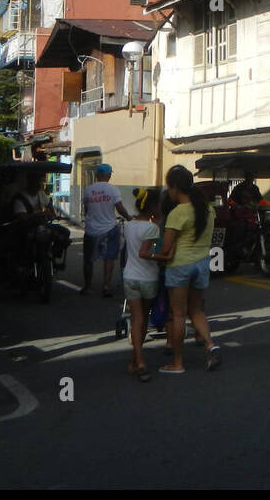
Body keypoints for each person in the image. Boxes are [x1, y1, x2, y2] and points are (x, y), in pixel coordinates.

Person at [156, 165, 220, 374]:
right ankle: (210, 345)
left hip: (180, 266)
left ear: (174, 187)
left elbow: (166, 249)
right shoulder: (208, 209)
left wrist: (154, 255)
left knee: (178, 315)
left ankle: (177, 362)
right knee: (197, 310)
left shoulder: (177, 213)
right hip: (202, 264)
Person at [121, 191, 163, 382]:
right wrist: (164, 257)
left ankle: (134, 360)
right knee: (142, 320)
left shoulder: (129, 225)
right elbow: (145, 253)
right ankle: (140, 362)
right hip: (148, 277)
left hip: (129, 276)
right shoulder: (152, 228)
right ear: (153, 207)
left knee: (136, 319)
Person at [81, 164, 131, 297]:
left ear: (97, 175)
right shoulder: (113, 189)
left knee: (88, 259)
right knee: (109, 258)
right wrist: (129, 218)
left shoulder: (88, 190)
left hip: (91, 229)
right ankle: (106, 286)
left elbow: (87, 210)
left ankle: (87, 287)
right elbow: (119, 208)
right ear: (108, 175)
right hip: (109, 228)